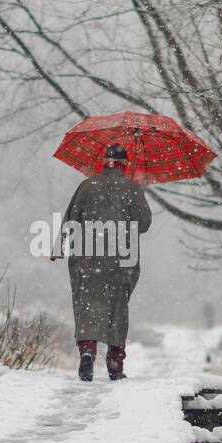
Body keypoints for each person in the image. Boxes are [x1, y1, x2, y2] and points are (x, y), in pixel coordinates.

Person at [54, 143, 152, 381]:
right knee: (117, 309)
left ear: (104, 162)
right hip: (120, 259)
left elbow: (71, 219)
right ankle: (115, 363)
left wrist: (59, 246)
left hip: (87, 257)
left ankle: (87, 352)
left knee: (86, 305)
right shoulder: (132, 188)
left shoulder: (87, 186)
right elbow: (144, 224)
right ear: (125, 164)